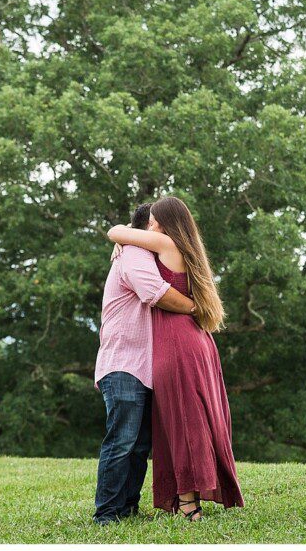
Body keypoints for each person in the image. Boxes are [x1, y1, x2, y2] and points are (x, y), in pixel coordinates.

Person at [106, 195, 245, 521]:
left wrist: (122, 239)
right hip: (197, 339)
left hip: (176, 341)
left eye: (155, 220)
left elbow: (114, 231)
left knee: (181, 421)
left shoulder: (164, 242)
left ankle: (187, 503)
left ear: (165, 223)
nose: (151, 226)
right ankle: (190, 497)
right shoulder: (189, 247)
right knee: (194, 418)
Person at [92, 203, 197, 526]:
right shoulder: (135, 254)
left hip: (144, 364)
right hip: (124, 362)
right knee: (122, 440)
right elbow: (156, 293)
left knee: (138, 444)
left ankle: (127, 507)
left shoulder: (140, 251)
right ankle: (107, 513)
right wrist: (197, 308)